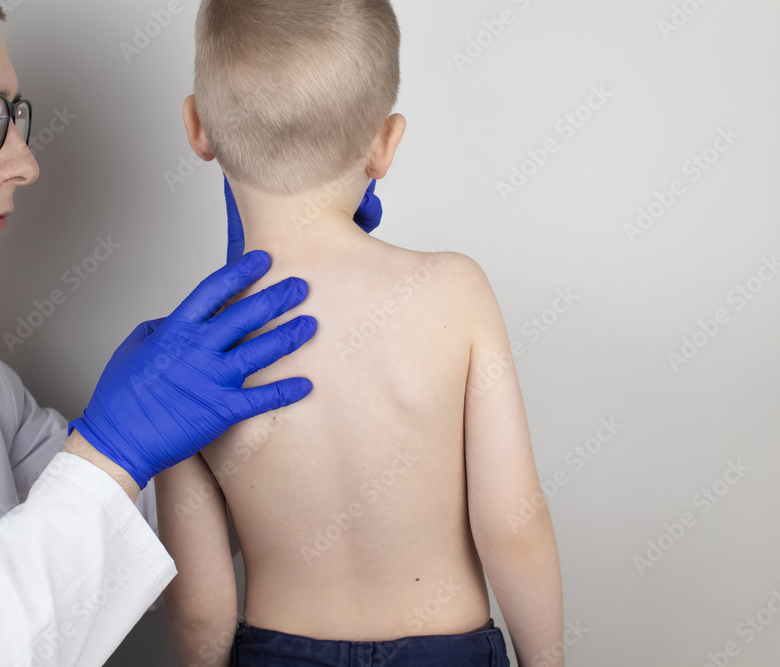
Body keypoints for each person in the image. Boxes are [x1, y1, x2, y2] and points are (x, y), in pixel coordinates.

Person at [0, 1, 381, 664]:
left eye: (12, 116)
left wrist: (265, 327)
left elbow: (138, 544)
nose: (24, 163)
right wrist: (112, 449)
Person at [153, 1, 564, 666]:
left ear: (199, 128)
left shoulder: (185, 350)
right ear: (385, 141)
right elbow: (513, 524)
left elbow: (201, 605)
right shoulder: (454, 293)